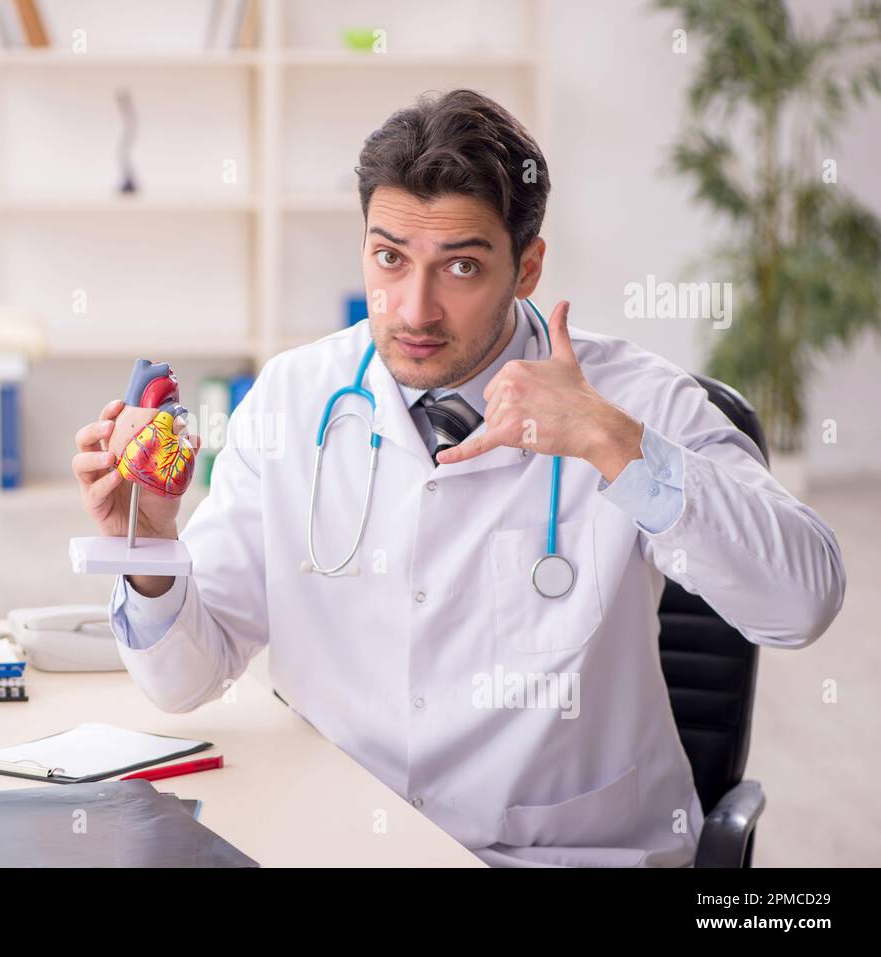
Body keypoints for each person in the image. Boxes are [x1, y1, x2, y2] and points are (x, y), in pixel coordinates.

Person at [70, 89, 845, 867]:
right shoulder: (294, 398)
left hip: (569, 854)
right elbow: (185, 679)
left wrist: (615, 445)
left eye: (462, 267)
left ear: (528, 267)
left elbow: (803, 600)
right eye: (389, 257)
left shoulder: (634, 399)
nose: (415, 308)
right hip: (339, 845)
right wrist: (149, 547)